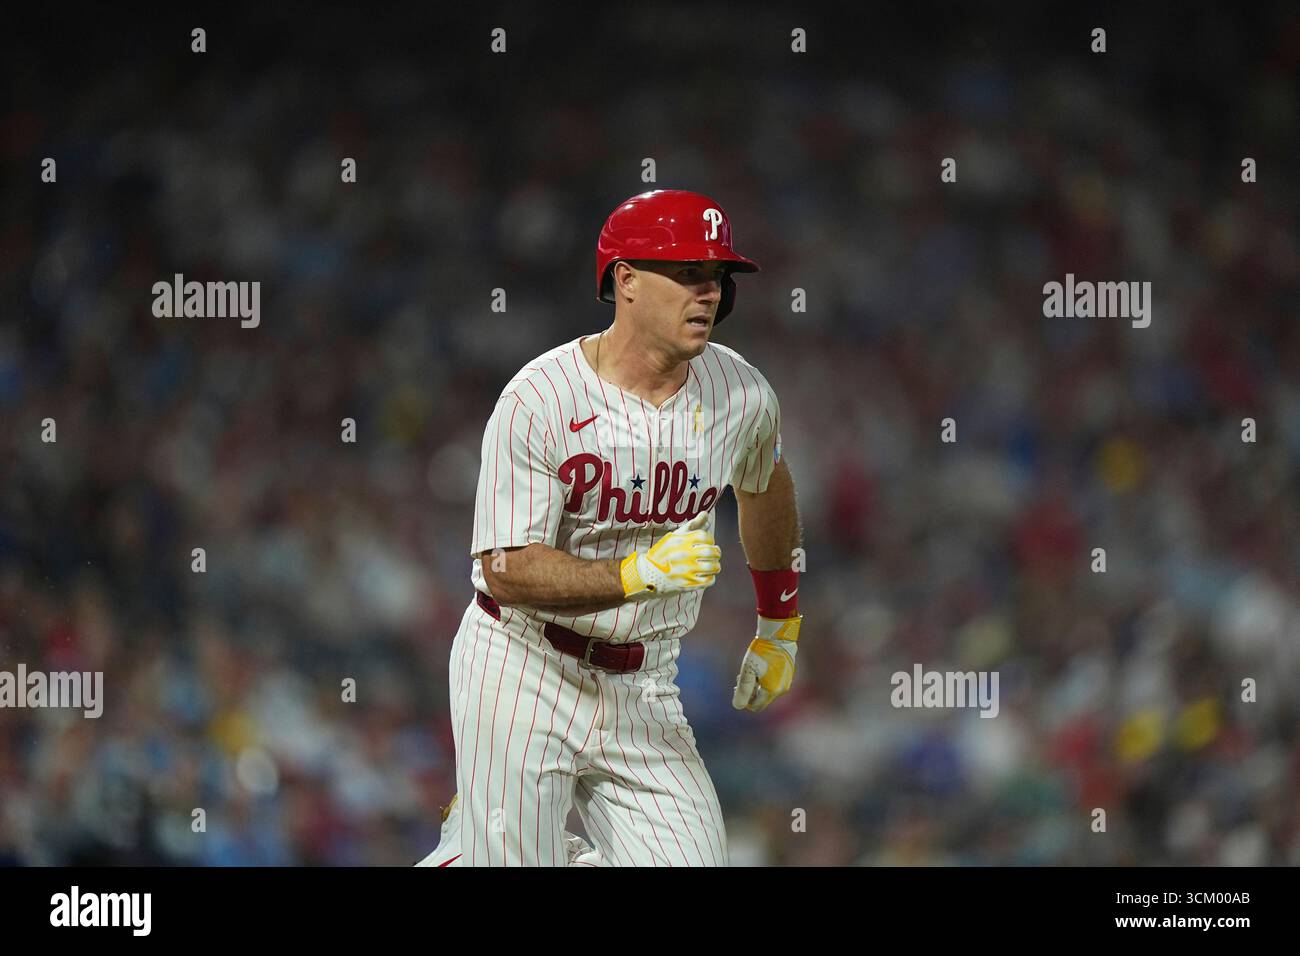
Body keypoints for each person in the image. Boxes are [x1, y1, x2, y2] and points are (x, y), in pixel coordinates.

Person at [418, 189, 803, 866]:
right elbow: (505, 569)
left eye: (716, 276)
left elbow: (766, 483)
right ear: (624, 279)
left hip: (646, 681)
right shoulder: (540, 397)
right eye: (686, 273)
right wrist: (635, 575)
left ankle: (479, 847)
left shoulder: (739, 393)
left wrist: (780, 625)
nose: (708, 292)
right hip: (523, 664)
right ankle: (476, 849)